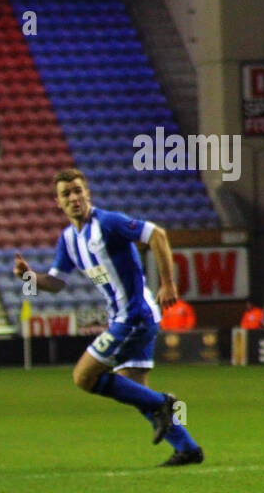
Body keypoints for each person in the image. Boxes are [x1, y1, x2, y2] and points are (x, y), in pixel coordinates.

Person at [12, 168, 204, 466]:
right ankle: (188, 449)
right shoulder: (69, 239)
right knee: (135, 389)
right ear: (58, 203)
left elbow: (157, 235)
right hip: (126, 318)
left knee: (84, 377)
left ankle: (163, 403)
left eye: (78, 190)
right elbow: (56, 282)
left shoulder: (108, 223)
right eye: (67, 194)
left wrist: (167, 283)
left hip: (134, 318)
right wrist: (28, 278)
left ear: (87, 192)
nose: (74, 197)